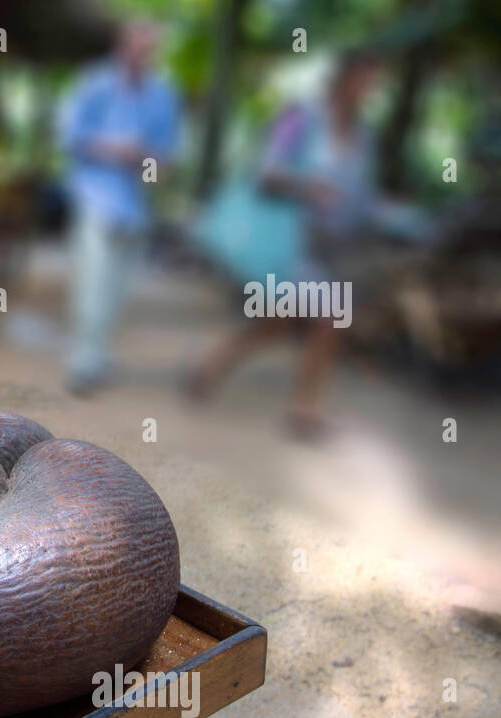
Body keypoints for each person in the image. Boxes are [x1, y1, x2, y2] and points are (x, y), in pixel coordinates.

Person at [187, 52, 382, 438]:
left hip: (326, 249)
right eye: (363, 80)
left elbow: (362, 198)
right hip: (287, 244)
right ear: (342, 78)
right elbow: (265, 171)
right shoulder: (300, 118)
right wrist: (307, 187)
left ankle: (208, 369)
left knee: (278, 324)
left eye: (373, 83)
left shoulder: (363, 137)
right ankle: (303, 411)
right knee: (329, 318)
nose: (368, 90)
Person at [56, 20, 180, 395]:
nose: (141, 54)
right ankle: (84, 361)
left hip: (134, 206)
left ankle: (97, 353)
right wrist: (114, 148)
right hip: (94, 196)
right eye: (135, 46)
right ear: (121, 46)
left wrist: (144, 159)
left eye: (148, 48)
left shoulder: (162, 95)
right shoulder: (93, 83)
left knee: (118, 287)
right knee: (92, 280)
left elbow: (165, 161)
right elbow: (69, 136)